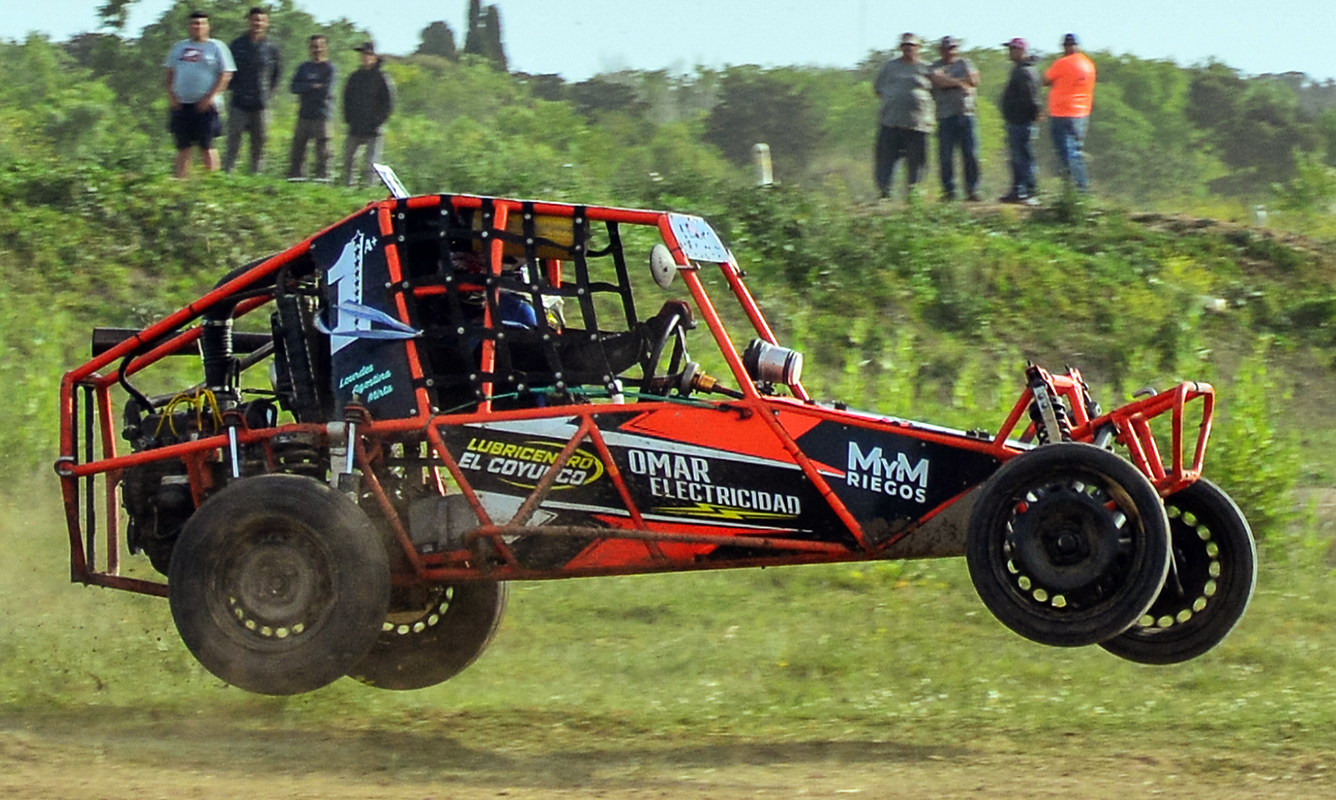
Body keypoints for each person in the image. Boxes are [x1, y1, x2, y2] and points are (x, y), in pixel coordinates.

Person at [163, 11, 235, 179]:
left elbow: (225, 75)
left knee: (206, 145)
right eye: (194, 23)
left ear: (208, 26)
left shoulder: (216, 47)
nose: (197, 27)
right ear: (189, 26)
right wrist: (172, 96)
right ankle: (180, 183)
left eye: (201, 23)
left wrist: (209, 97)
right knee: (183, 146)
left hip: (207, 106)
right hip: (181, 104)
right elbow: (169, 74)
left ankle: (212, 184)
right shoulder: (179, 47)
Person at [873, 33, 935, 199]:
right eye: (905, 45)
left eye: (912, 45)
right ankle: (885, 194)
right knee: (886, 162)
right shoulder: (889, 67)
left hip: (918, 125)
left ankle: (913, 196)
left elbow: (938, 89)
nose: (908, 48)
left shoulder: (928, 68)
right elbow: (878, 88)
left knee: (917, 163)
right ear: (901, 47)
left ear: (918, 48)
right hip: (891, 123)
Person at [223, 7, 281, 174]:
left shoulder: (271, 48)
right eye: (254, 19)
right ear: (248, 21)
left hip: (260, 104)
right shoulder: (236, 45)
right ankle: (228, 177)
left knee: (259, 145)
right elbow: (228, 71)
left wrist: (267, 94)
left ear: (266, 23)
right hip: (238, 102)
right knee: (233, 143)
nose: (257, 23)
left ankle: (256, 179)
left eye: (261, 20)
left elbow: (276, 75)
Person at [928, 37, 981, 202]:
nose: (949, 51)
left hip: (966, 114)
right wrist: (960, 83)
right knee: (946, 156)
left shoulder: (965, 63)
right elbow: (939, 81)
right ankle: (949, 191)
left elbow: (974, 80)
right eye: (946, 48)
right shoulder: (935, 67)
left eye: (952, 48)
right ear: (940, 50)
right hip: (945, 116)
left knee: (970, 154)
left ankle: (972, 190)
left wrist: (952, 81)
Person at [1043, 33, 1097, 192]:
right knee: (1076, 151)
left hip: (1062, 113)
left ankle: (1076, 189)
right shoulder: (1089, 65)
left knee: (1066, 152)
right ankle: (1079, 188)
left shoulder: (1062, 63)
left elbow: (1045, 80)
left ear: (1065, 47)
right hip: (1082, 115)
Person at [342, 42, 395, 187]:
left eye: (367, 54)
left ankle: (370, 192)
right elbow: (346, 99)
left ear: (375, 57)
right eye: (363, 54)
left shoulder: (382, 78)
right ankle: (347, 190)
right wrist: (349, 119)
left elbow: (388, 104)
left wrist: (377, 121)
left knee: (371, 164)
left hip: (374, 129)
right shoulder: (355, 77)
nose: (364, 57)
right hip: (355, 127)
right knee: (349, 161)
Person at [999, 38, 1042, 205]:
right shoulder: (1020, 70)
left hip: (1022, 122)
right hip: (1016, 121)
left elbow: (1032, 98)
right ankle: (1017, 190)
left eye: (1013, 49)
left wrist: (1031, 116)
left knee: (1024, 157)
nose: (1010, 52)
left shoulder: (1025, 71)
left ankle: (1028, 192)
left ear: (1021, 51)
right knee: (1017, 158)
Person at [287, 34, 336, 180]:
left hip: (322, 115)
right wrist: (312, 86)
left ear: (325, 48)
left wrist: (306, 87)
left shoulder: (330, 68)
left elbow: (325, 91)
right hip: (304, 115)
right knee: (298, 151)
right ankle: (296, 179)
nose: (317, 49)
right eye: (314, 46)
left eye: (320, 46)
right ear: (309, 48)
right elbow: (293, 87)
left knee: (323, 153)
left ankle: (323, 180)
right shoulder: (304, 67)